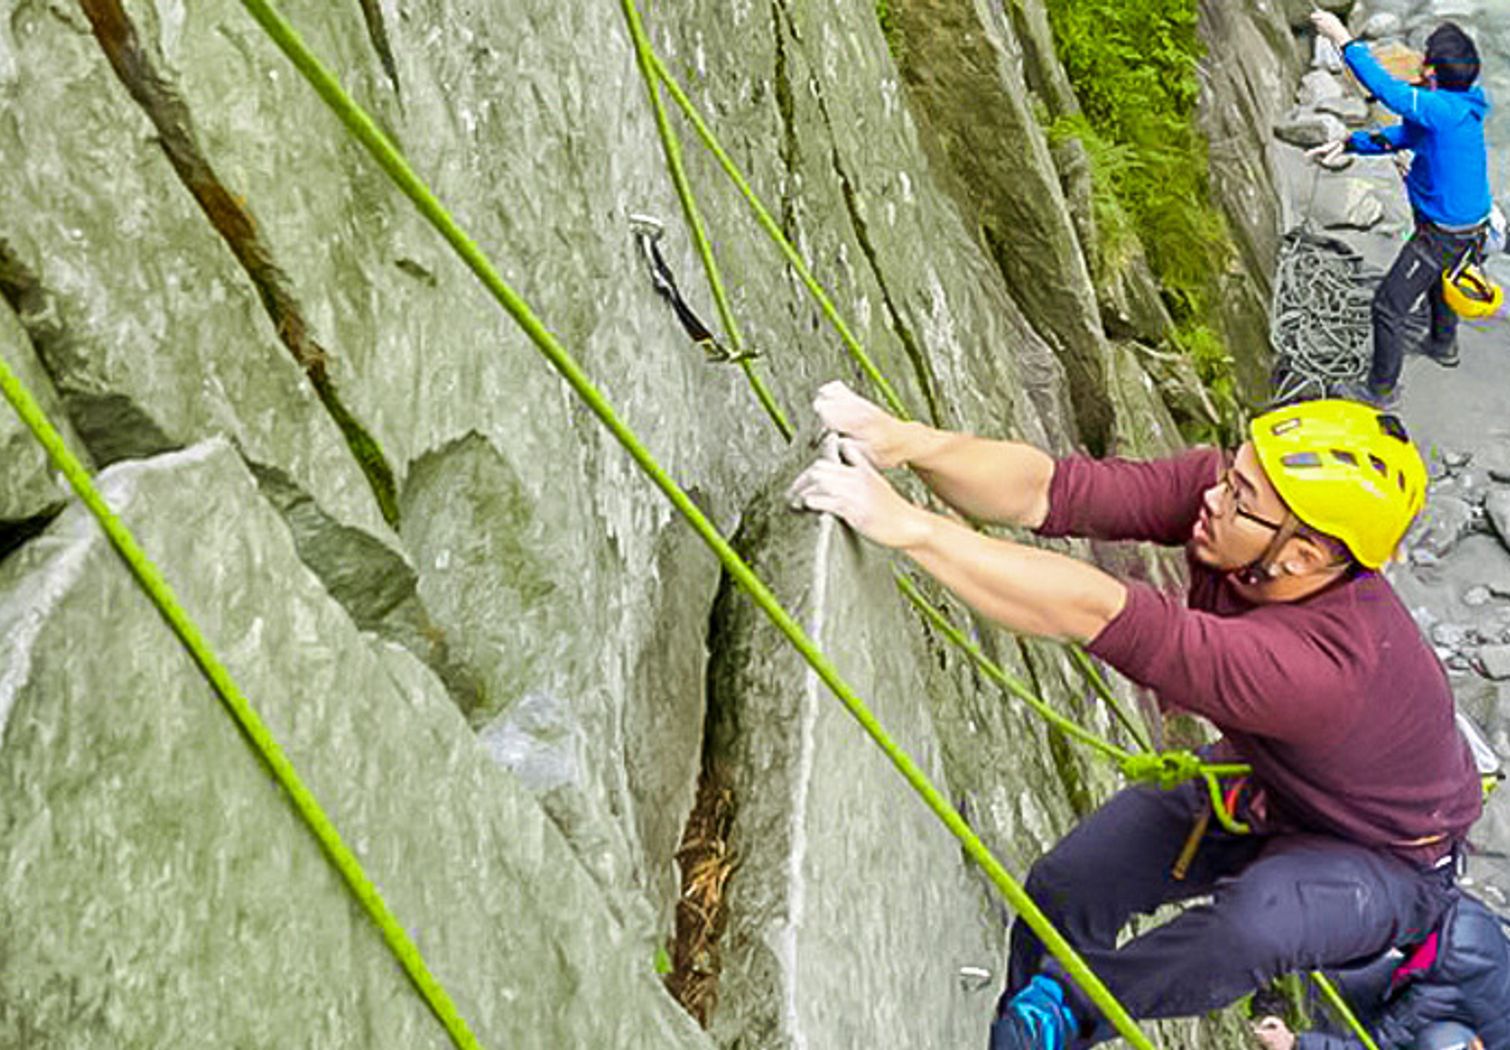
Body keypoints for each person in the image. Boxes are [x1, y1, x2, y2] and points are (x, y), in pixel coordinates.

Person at [787, 382, 1482, 1048]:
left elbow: (1099, 613)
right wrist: (908, 444)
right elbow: (1052, 491)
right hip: (1276, 787)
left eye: (1238, 495)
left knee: (1255, 922)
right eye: (1232, 473)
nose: (1211, 494)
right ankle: (1028, 1028)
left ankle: (1069, 1013)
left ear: (1302, 554)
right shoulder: (1245, 523)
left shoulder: (1320, 672)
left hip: (1388, 860)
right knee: (1069, 886)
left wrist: (910, 529)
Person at [1308, 13, 1493, 407]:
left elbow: (1387, 92)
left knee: (1388, 306)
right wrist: (1350, 142)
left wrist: (1342, 37)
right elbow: (1404, 135)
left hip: (1443, 232)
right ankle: (1444, 345)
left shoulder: (1439, 108)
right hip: (1467, 226)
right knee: (1443, 276)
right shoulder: (1462, 106)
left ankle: (1379, 391)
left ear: (1432, 71)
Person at [1251, 890, 1510, 1049]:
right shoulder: (1455, 910)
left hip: (1460, 1030)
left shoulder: (1438, 988)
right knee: (1333, 981)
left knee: (1436, 1044)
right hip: (1446, 990)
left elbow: (1377, 1046)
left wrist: (1296, 1044)